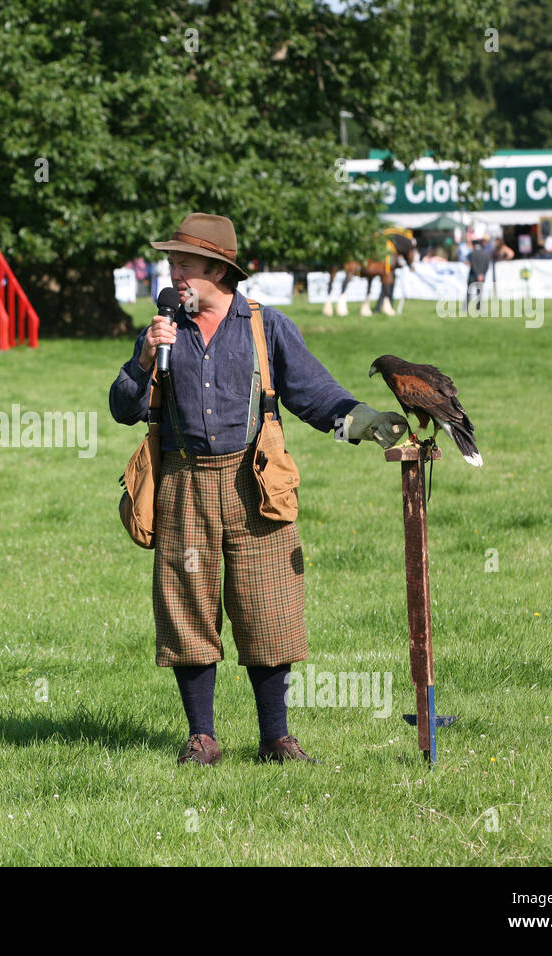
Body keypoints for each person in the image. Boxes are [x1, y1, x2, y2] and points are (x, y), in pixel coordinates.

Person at [108, 213, 409, 767]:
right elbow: (123, 409)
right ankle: (201, 738)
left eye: (186, 264)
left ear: (219, 270)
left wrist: (364, 422)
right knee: (186, 609)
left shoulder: (264, 326)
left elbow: (314, 394)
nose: (175, 274)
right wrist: (145, 357)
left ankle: (276, 739)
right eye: (172, 263)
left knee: (267, 607)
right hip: (183, 482)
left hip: (255, 481)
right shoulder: (162, 331)